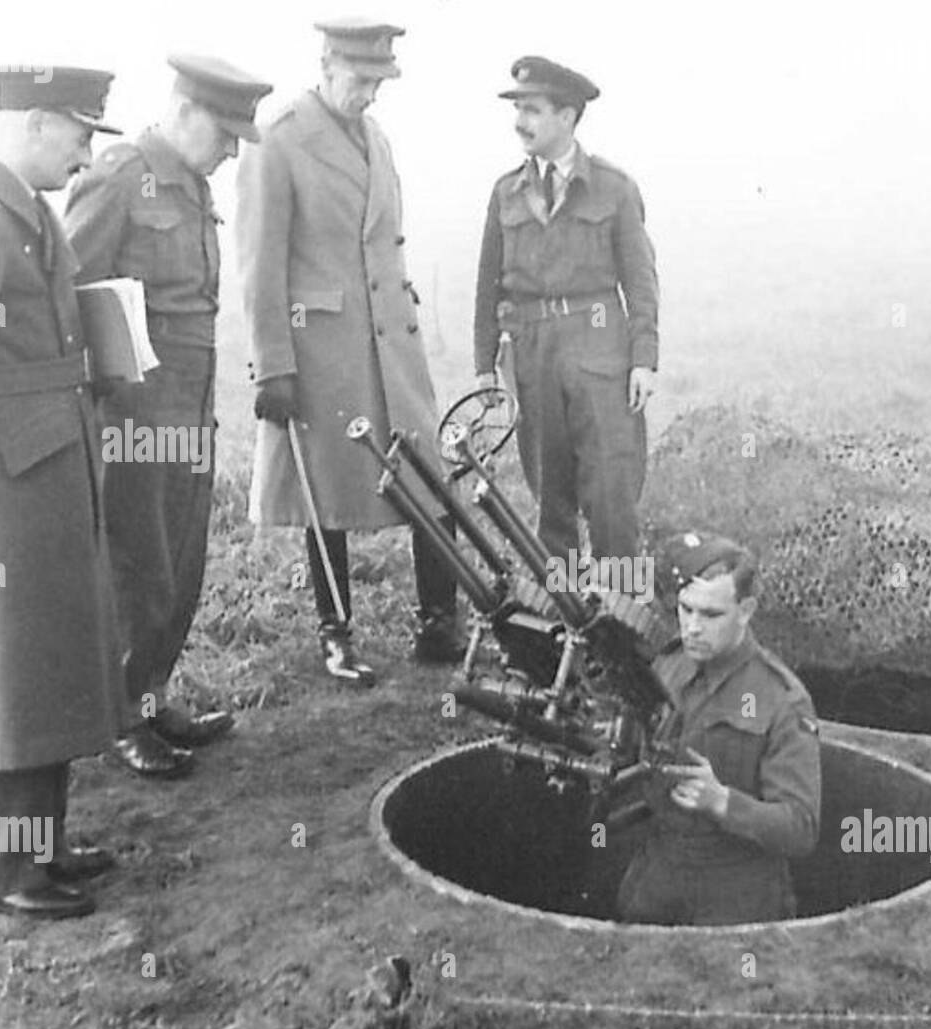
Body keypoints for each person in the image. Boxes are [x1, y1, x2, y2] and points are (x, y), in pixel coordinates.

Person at [236, 17, 460, 686]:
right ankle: (337, 634)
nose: (370, 94)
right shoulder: (278, 142)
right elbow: (259, 265)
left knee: (428, 473)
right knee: (324, 490)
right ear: (328, 64)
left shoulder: (376, 138)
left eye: (379, 82)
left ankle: (439, 621)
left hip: (392, 342)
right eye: (361, 80)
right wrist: (273, 364)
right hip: (323, 349)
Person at [66, 54, 272, 778]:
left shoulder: (191, 183)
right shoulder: (122, 176)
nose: (231, 149)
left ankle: (152, 698)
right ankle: (122, 717)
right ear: (185, 112)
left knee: (182, 562)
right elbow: (76, 291)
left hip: (193, 397)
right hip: (136, 406)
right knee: (139, 565)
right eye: (223, 132)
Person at [0, 65, 123, 918]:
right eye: (76, 131)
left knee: (49, 660)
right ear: (32, 123)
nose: (84, 150)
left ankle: (41, 845)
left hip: (49, 463)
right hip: (6, 481)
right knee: (11, 672)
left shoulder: (19, 208)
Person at [474, 56, 659, 566]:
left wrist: (644, 358)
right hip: (531, 351)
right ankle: (565, 617)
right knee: (548, 492)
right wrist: (483, 366)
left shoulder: (614, 188)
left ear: (568, 116)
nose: (520, 122)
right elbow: (487, 284)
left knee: (609, 490)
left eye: (532, 110)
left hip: (598, 345)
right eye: (518, 110)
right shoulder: (505, 191)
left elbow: (640, 281)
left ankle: (621, 619)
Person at [616, 533, 822, 925]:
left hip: (736, 891)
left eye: (711, 615)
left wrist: (722, 802)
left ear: (745, 611)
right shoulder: (668, 666)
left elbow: (802, 828)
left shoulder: (782, 698)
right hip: (658, 872)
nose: (693, 628)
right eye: (685, 610)